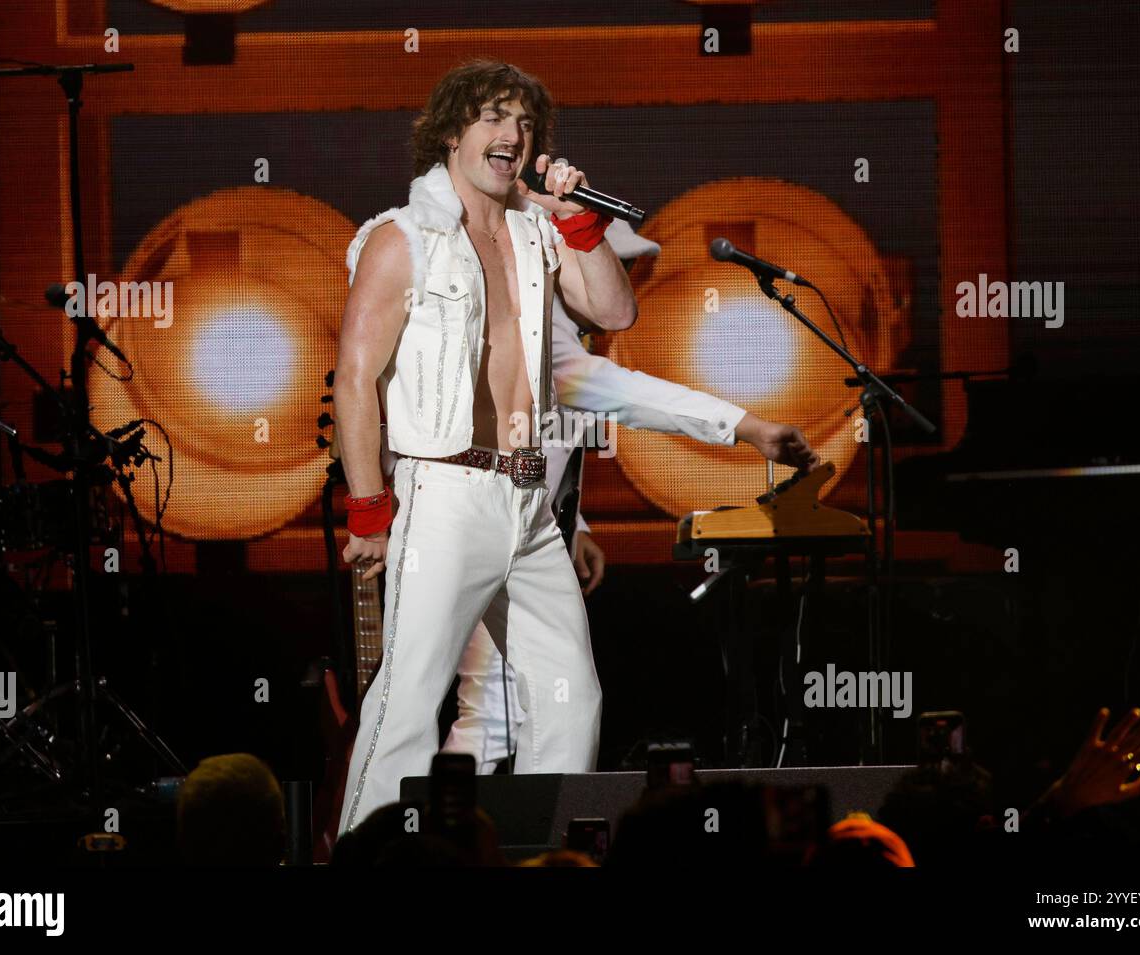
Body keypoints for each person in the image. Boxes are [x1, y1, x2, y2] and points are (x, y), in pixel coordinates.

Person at [332, 59, 638, 833]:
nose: (513, 135)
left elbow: (615, 310)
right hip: (445, 495)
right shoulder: (402, 239)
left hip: (529, 503)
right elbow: (355, 378)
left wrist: (578, 217)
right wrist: (369, 509)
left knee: (571, 697)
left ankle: (545, 852)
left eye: (525, 122)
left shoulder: (538, 230)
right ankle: (365, 860)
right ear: (450, 134)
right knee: (408, 704)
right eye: (494, 118)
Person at [444, 218, 821, 772]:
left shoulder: (553, 334)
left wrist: (578, 527)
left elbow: (539, 448)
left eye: (625, 270)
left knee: (537, 709)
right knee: (498, 714)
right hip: (484, 544)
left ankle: (514, 837)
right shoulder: (540, 336)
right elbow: (621, 394)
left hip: (504, 541)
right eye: (613, 267)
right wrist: (748, 427)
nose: (620, 282)